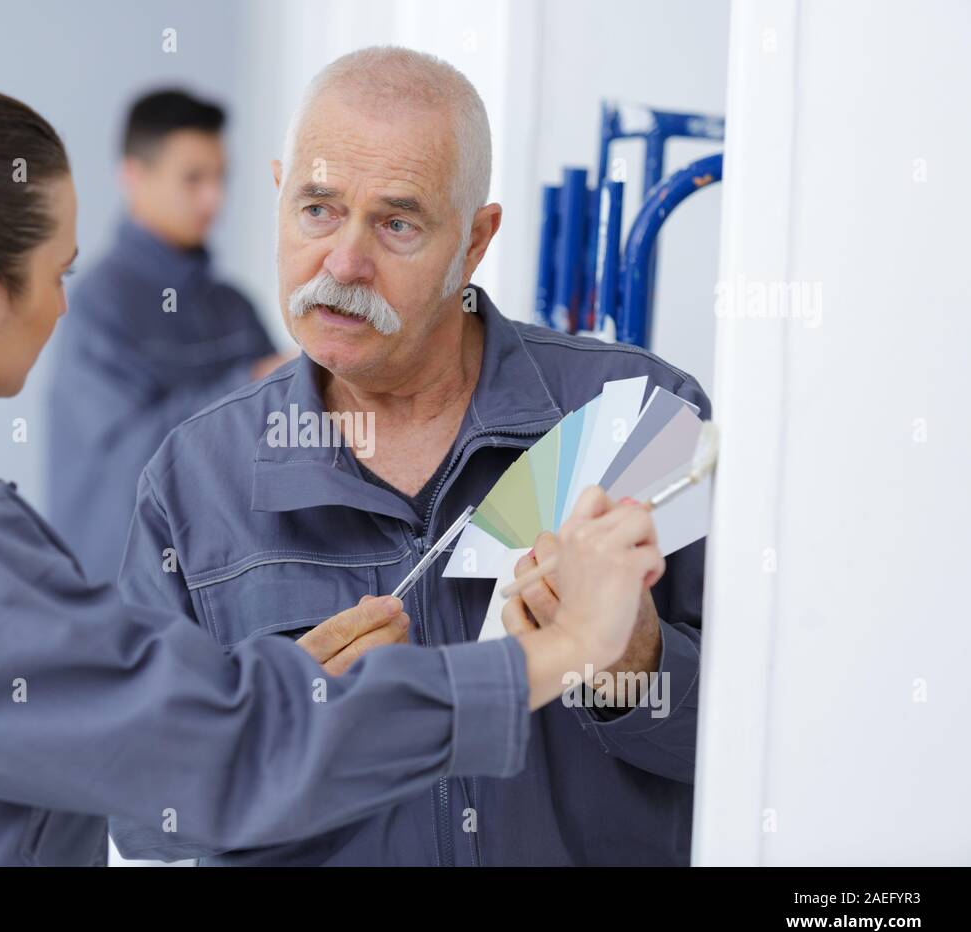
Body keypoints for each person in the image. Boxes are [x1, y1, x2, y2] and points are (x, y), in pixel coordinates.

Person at [0, 79, 665, 866]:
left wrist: (277, 687)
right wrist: (557, 649)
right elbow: (190, 773)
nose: (66, 307)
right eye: (58, 274)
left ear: (474, 238)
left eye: (398, 222)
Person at [114, 47, 708, 866]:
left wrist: (633, 667)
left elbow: (761, 754)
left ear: (474, 242)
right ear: (282, 192)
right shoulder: (193, 480)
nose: (344, 263)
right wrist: (266, 731)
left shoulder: (638, 419)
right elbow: (142, 821)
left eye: (398, 223)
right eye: (318, 209)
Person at [47, 89, 292, 582]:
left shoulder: (233, 307)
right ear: (134, 177)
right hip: (122, 605)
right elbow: (131, 458)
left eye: (221, 178)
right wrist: (253, 383)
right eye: (193, 179)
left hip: (224, 594)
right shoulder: (98, 305)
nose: (213, 198)